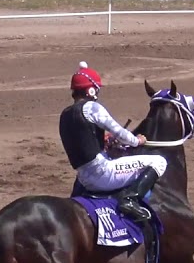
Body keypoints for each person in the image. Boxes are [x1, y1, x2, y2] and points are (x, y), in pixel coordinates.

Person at [58, 61, 167, 223]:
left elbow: (83, 142)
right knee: (159, 161)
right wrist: (136, 141)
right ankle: (130, 200)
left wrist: (105, 146)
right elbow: (120, 132)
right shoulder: (92, 108)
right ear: (91, 89)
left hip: (83, 179)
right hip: (103, 174)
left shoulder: (65, 115)